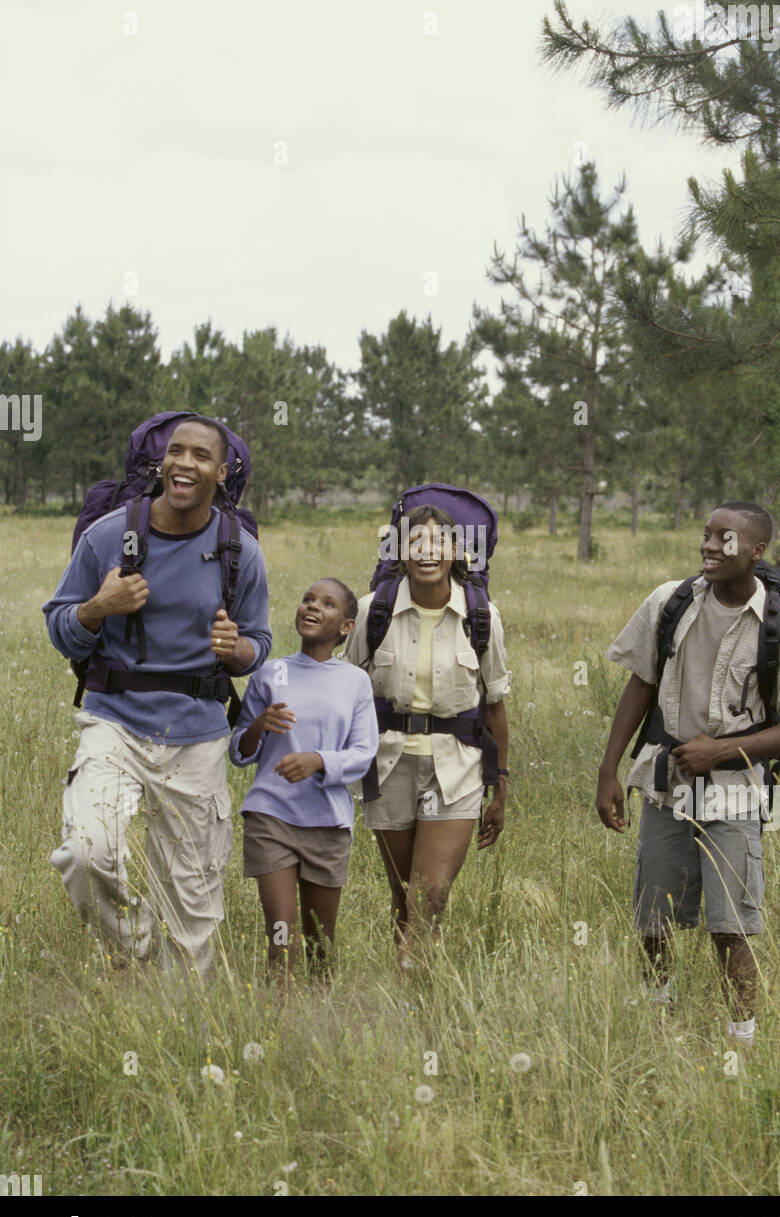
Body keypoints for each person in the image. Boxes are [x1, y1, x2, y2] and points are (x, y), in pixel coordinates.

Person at [43, 416, 272, 979]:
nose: (184, 464)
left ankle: (183, 1028)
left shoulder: (239, 551)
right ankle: (138, 941)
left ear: (221, 472)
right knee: (86, 852)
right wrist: (100, 607)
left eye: (200, 456)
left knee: (192, 894)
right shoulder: (108, 536)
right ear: (161, 463)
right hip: (114, 723)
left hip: (197, 735)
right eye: (176, 452)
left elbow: (259, 645)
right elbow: (59, 626)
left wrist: (235, 648)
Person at [596, 501, 780, 1047]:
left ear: (756, 551)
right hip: (664, 783)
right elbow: (640, 684)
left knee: (732, 924)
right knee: (653, 915)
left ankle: (740, 1039)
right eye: (706, 535)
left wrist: (720, 753)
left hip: (735, 795)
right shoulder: (669, 603)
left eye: (725, 539)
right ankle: (656, 1013)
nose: (709, 546)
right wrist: (610, 771)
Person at [343, 505, 511, 974]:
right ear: (399, 552)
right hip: (388, 766)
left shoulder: (481, 617)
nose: (427, 551)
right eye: (415, 541)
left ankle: (414, 984)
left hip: (456, 770)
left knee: (431, 892)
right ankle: (413, 986)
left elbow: (494, 701)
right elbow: (347, 687)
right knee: (404, 894)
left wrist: (501, 784)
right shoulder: (371, 610)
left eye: (438, 542)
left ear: (457, 551)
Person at [229, 578, 378, 981]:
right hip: (270, 816)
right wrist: (259, 725)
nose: (312, 607)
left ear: (346, 626)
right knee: (281, 935)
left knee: (320, 945)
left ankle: (316, 1020)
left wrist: (317, 761)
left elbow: (363, 755)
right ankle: (280, 1011)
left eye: (327, 604)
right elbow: (239, 752)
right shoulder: (270, 674)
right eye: (307, 598)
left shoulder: (355, 682)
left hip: (327, 824)